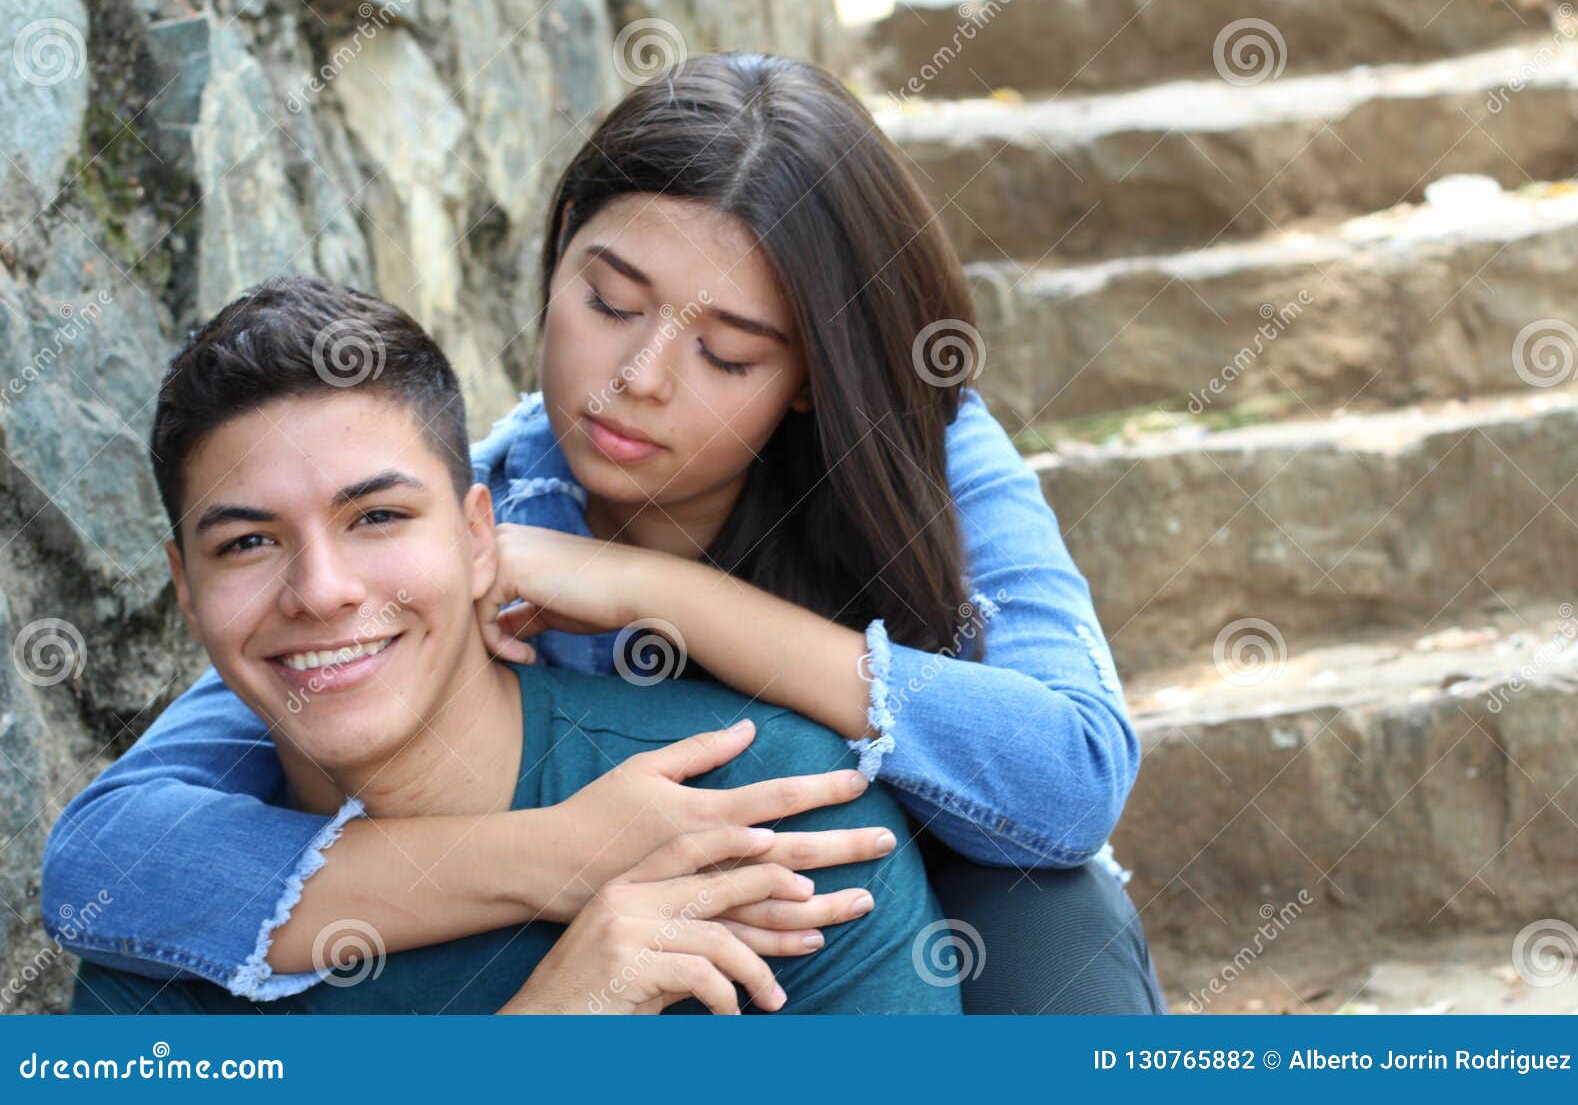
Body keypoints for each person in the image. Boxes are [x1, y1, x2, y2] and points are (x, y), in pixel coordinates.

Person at [43, 51, 1164, 1013]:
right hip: (630, 926)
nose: (636, 379)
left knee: (1053, 920)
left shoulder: (928, 449)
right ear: (564, 242)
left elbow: (1067, 779)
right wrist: (558, 856)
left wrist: (659, 592)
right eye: (610, 302)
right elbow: (107, 855)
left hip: (953, 887)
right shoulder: (447, 524)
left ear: (816, 374)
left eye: (726, 353)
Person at [68, 277, 958, 1015]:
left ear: (481, 538)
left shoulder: (764, 820)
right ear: (187, 590)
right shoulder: (162, 944)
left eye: (377, 516)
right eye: (249, 543)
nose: (323, 590)